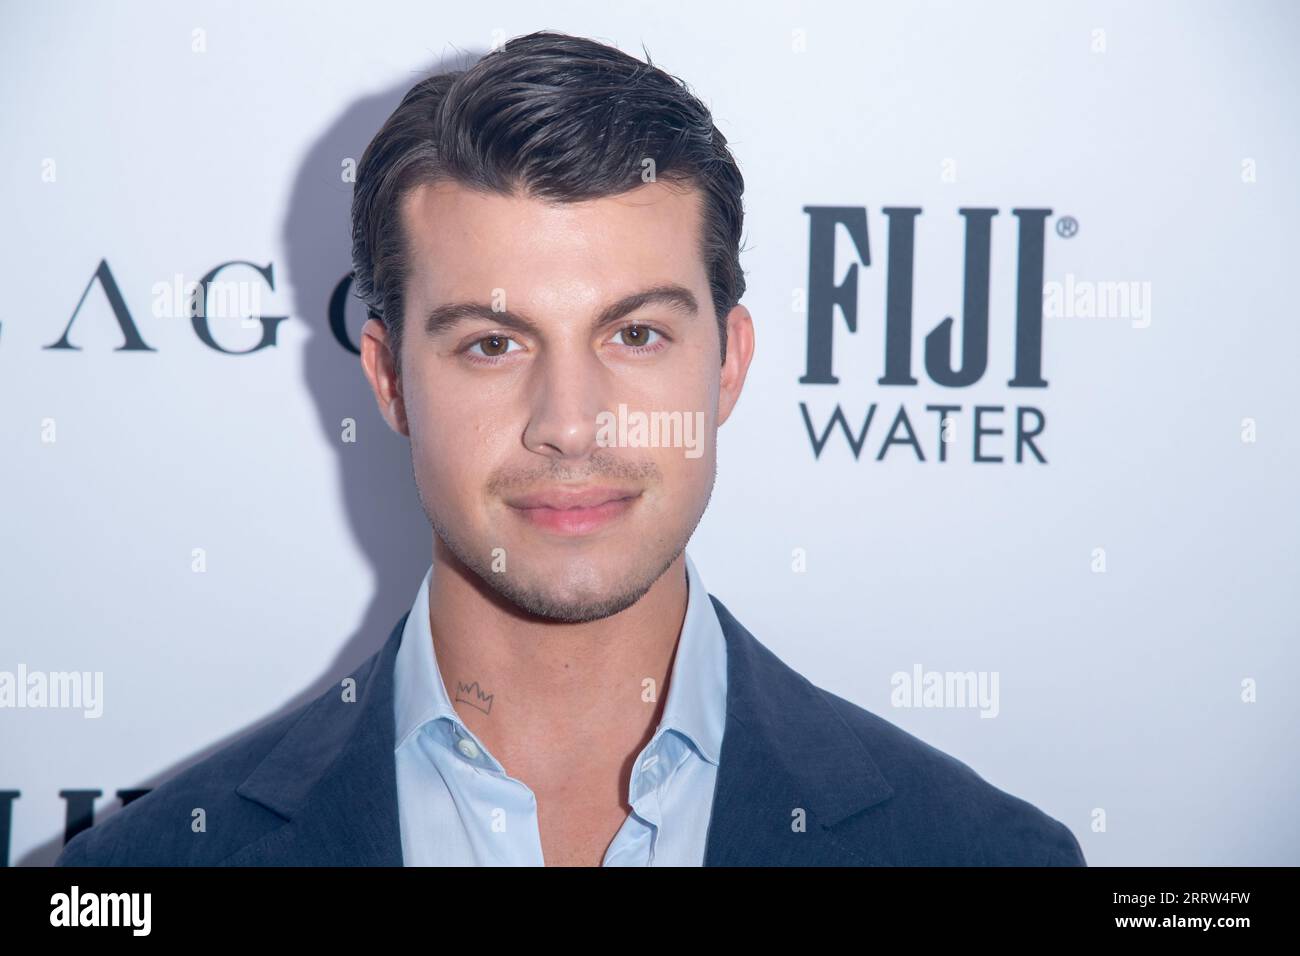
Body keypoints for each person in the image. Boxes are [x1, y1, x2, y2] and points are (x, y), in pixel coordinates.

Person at [56, 30, 1084, 867]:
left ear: (726, 364)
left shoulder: (982, 854)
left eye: (634, 333)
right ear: (388, 378)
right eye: (493, 343)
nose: (571, 420)